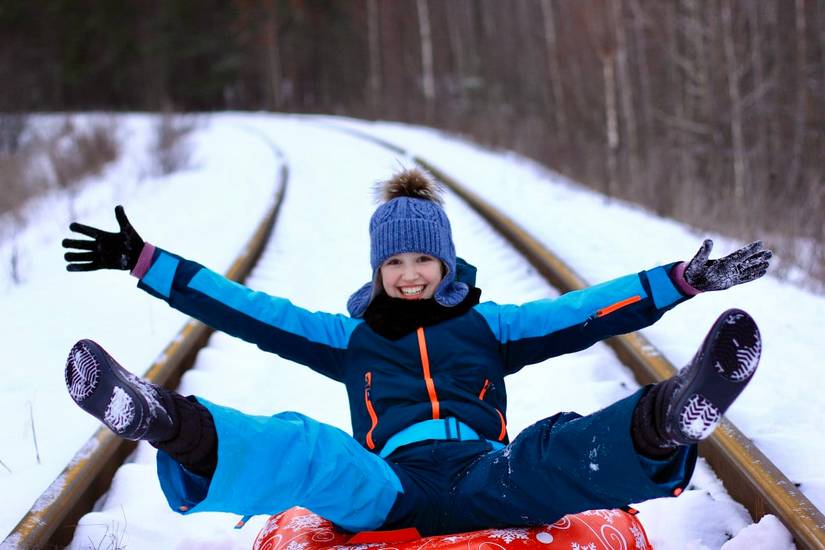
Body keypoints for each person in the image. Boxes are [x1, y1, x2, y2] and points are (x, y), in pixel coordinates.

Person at [62, 169, 771, 536]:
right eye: (394, 261)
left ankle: (674, 415)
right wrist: (147, 262)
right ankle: (160, 419)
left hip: (485, 478)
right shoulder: (348, 338)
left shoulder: (492, 326)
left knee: (549, 450)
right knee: (313, 453)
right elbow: (246, 310)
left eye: (422, 259)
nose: (408, 273)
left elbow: (583, 312)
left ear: (445, 263)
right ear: (376, 269)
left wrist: (679, 282)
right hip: (387, 487)